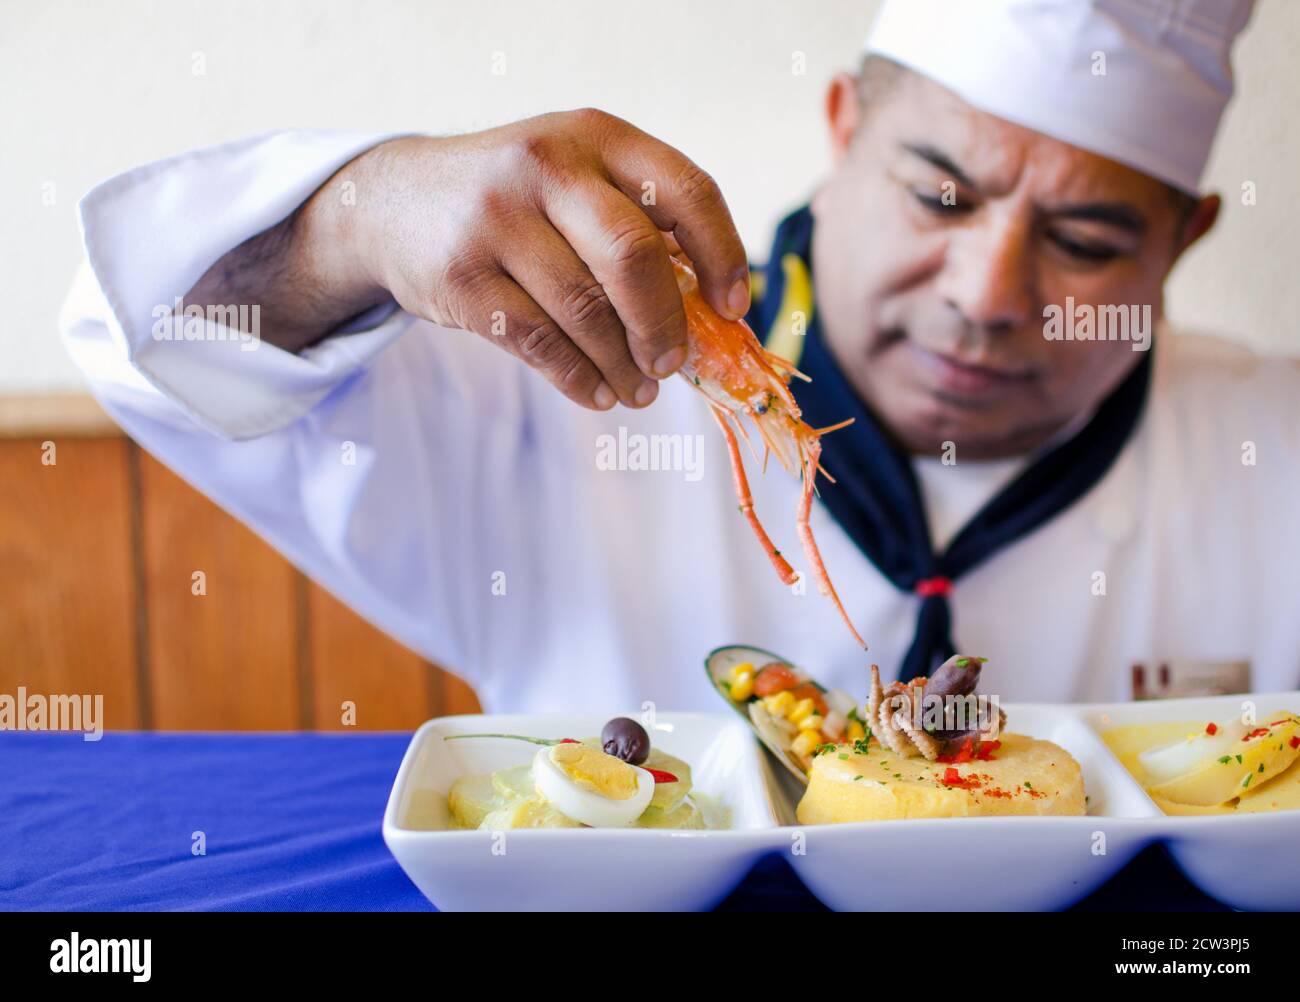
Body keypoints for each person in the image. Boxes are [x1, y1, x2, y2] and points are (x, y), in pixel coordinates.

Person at [60, 0, 1298, 714]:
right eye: (936, 194)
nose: (986, 297)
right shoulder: (547, 392)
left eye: (1084, 238)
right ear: (843, 129)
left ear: (1184, 237)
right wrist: (350, 219)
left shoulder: (1270, 450)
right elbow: (148, 340)